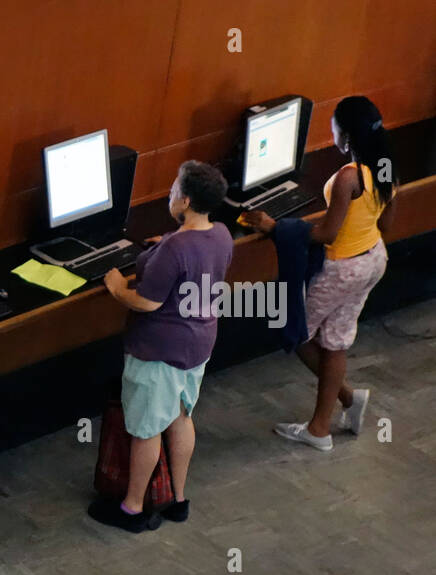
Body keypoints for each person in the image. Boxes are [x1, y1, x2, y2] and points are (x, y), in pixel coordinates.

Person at [242, 96, 396, 451]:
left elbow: (325, 234)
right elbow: (386, 222)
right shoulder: (387, 166)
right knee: (336, 340)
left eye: (333, 125)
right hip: (373, 258)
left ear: (346, 135)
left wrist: (276, 228)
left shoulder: (348, 177)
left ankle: (333, 411)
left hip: (342, 267)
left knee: (294, 329)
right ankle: (326, 420)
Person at [89, 160, 234, 533]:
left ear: (184, 200)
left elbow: (148, 302)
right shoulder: (220, 234)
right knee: (181, 417)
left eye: (173, 189)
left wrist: (119, 287)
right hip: (198, 343)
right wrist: (166, 247)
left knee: (146, 428)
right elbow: (195, 262)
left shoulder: (175, 249)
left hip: (160, 350)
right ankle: (178, 500)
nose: (169, 194)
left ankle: (133, 509)